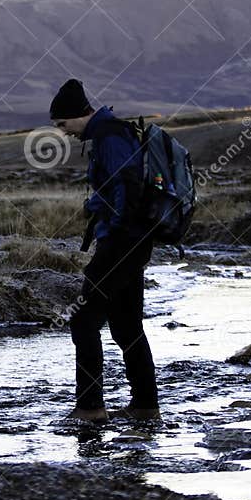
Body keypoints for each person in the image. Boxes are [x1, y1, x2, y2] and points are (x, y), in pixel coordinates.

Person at [50, 78, 159, 423]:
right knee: (127, 327)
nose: (63, 132)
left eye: (63, 124)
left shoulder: (111, 138)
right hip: (133, 242)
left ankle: (90, 409)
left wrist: (117, 235)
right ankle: (145, 407)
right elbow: (119, 189)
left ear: (79, 115)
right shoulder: (110, 135)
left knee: (83, 321)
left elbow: (126, 188)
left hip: (122, 244)